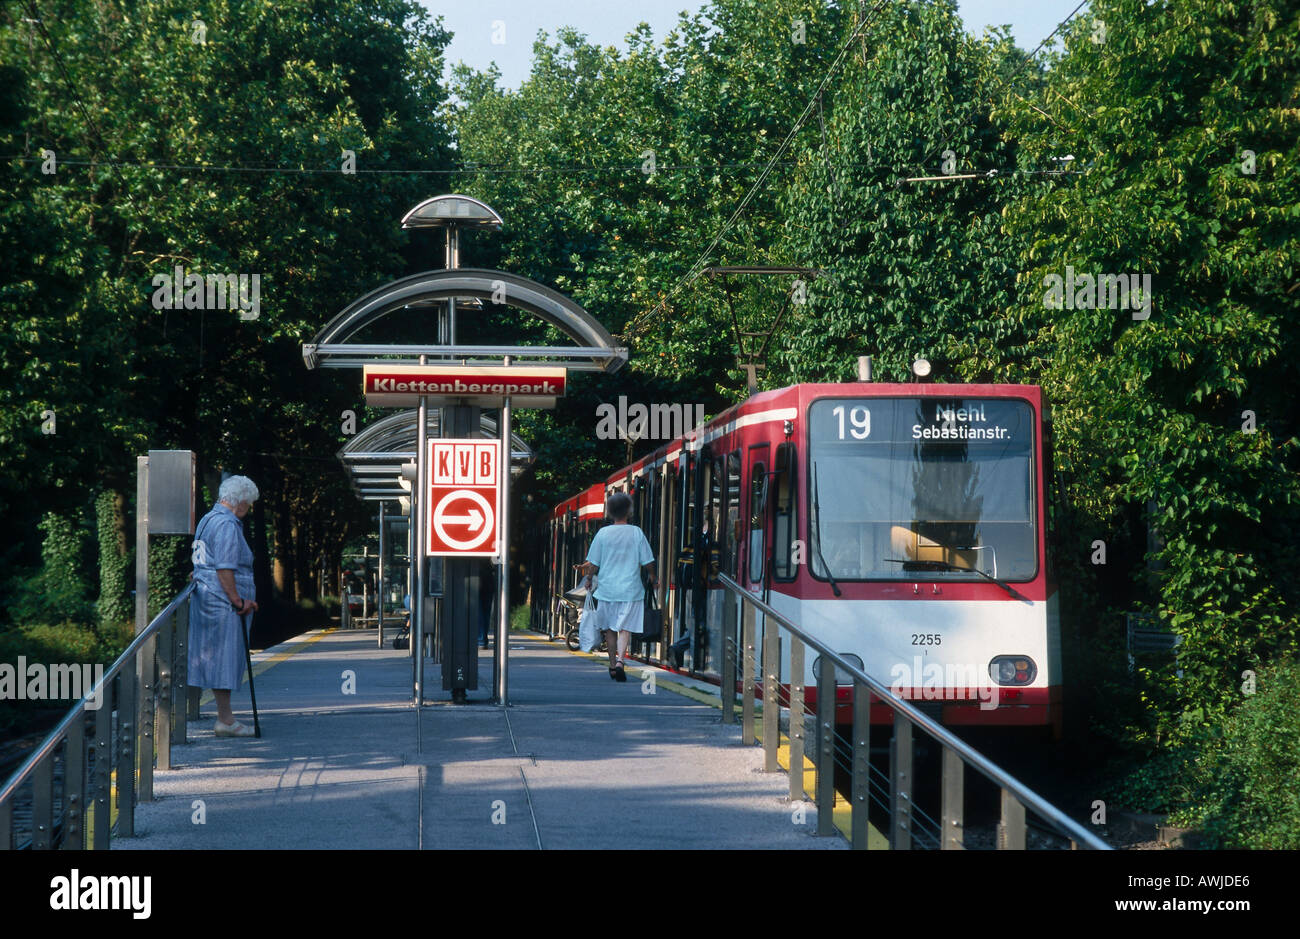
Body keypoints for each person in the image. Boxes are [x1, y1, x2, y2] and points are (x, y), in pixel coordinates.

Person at [189, 475, 261, 737]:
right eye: (249, 504)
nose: (248, 510)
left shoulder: (207, 519)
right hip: (223, 603)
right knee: (224, 658)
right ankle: (226, 720)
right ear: (241, 502)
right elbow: (225, 567)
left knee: (213, 657)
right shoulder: (228, 524)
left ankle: (224, 717)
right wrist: (238, 600)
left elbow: (202, 560)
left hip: (206, 596)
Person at [576, 492, 657, 682]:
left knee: (610, 629)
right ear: (629, 511)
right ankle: (621, 661)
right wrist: (653, 576)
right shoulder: (636, 532)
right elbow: (648, 561)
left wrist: (589, 579)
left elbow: (594, 563)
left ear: (611, 512)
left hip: (607, 590)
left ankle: (612, 666)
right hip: (630, 590)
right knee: (625, 628)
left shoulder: (602, 534)